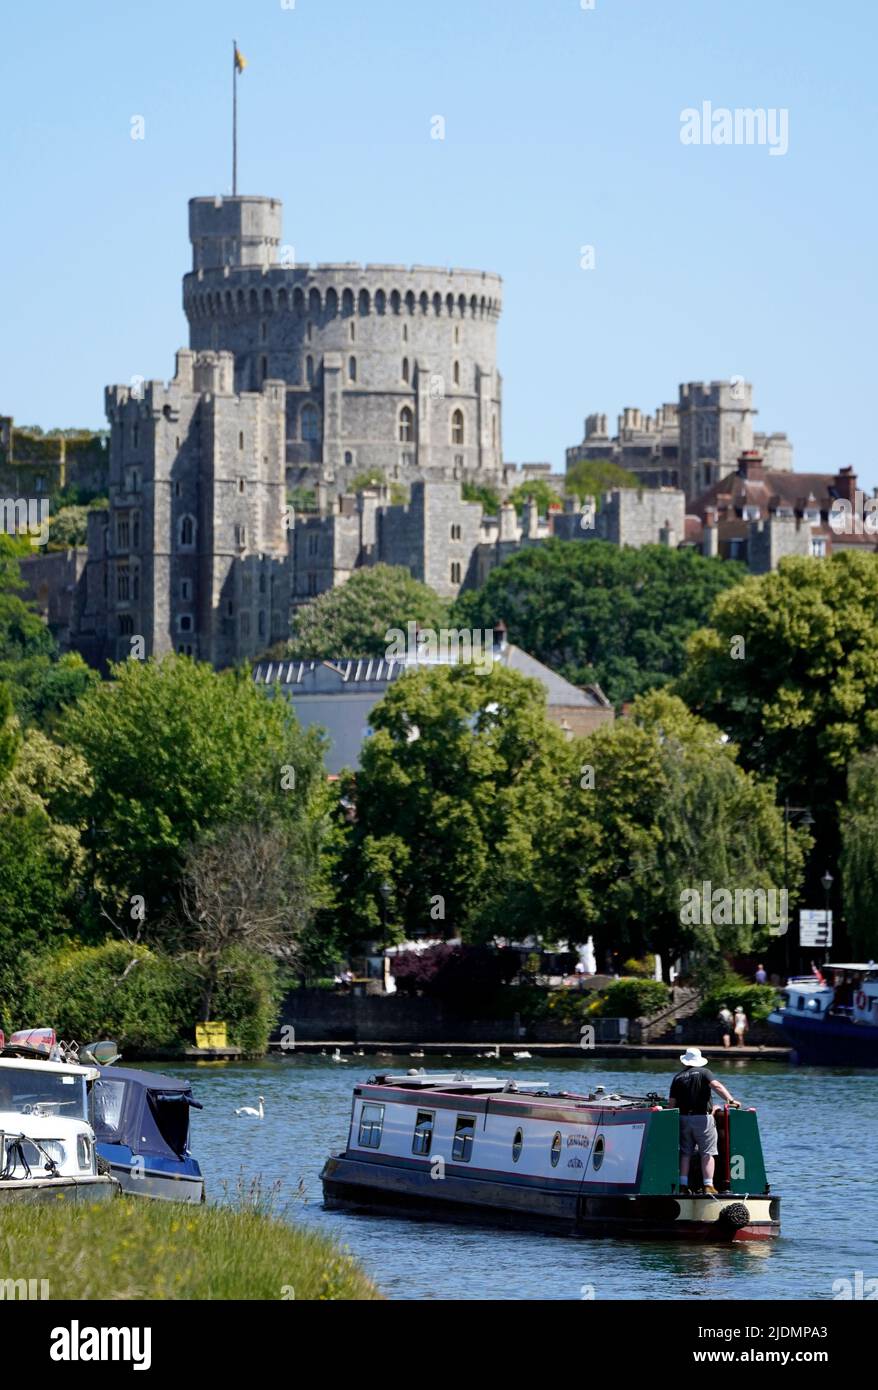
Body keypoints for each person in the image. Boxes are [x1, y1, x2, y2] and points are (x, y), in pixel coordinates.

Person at [668, 1047, 740, 1196]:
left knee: (685, 1153)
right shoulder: (704, 1072)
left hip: (683, 1119)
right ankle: (708, 1185)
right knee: (707, 1152)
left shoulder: (678, 1077)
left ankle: (683, 1185)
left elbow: (671, 1104)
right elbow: (717, 1086)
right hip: (702, 1119)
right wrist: (730, 1100)